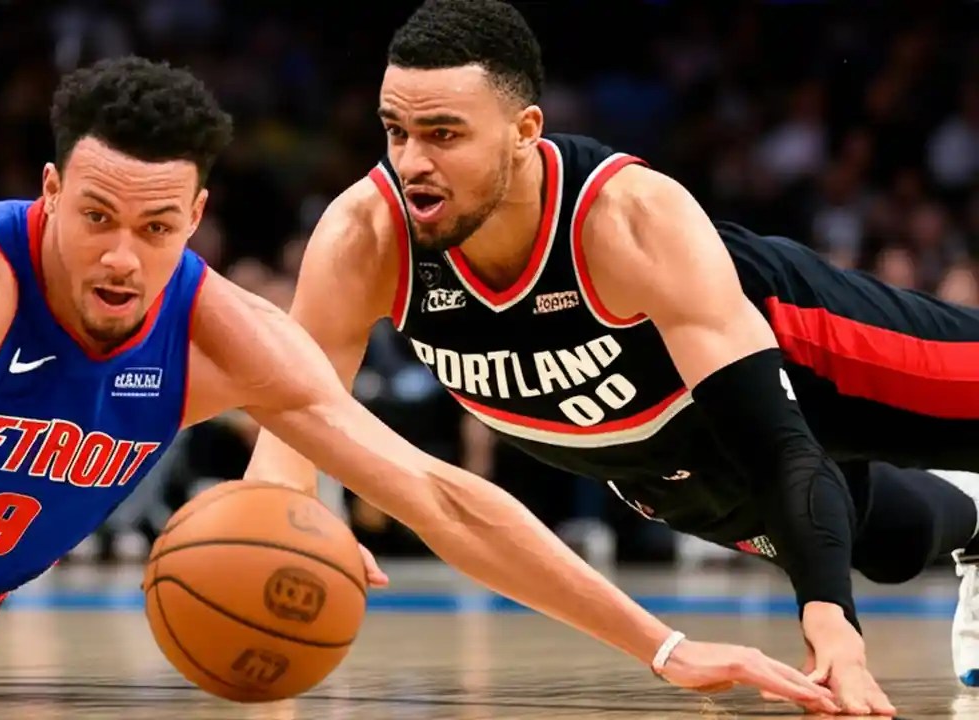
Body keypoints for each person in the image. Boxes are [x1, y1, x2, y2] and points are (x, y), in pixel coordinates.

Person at [0, 57, 835, 719]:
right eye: (93, 216)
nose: (116, 257)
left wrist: (663, 647)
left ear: (194, 217)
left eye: (153, 227)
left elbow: (438, 498)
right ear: (49, 191)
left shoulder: (222, 339)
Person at [243, 0, 979, 716]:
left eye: (444, 134)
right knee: (888, 542)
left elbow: (779, 445)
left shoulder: (625, 218)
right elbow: (295, 423)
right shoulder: (363, 239)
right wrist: (274, 528)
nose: (413, 162)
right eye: (395, 131)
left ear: (524, 131)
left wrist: (833, 626)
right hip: (655, 455)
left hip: (802, 350)